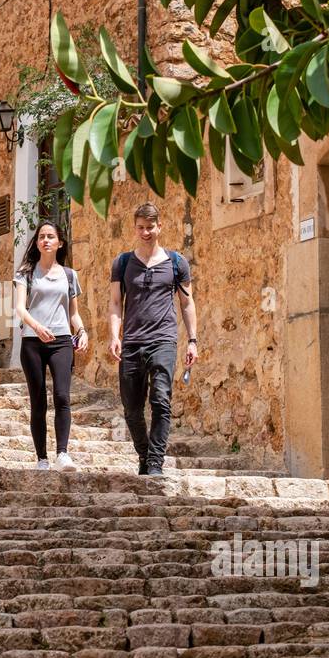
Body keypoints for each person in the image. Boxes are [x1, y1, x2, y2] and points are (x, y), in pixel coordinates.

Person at [109, 202, 197, 476]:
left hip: (163, 340)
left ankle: (156, 462)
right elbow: (115, 303)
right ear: (135, 229)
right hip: (132, 342)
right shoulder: (122, 263)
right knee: (131, 408)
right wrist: (114, 335)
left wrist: (192, 339)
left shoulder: (176, 262)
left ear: (160, 227)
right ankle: (145, 455)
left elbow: (186, 303)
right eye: (140, 228)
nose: (145, 232)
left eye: (150, 227)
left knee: (161, 399)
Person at [14, 221, 88, 471]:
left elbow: (73, 313)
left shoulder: (69, 275)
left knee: (62, 396)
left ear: (60, 243)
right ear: (37, 243)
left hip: (61, 342)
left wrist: (82, 331)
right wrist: (37, 327)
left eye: (51, 236)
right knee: (38, 400)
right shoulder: (25, 272)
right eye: (42, 237)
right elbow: (20, 309)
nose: (46, 240)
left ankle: (63, 454)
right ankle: (42, 459)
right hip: (32, 342)